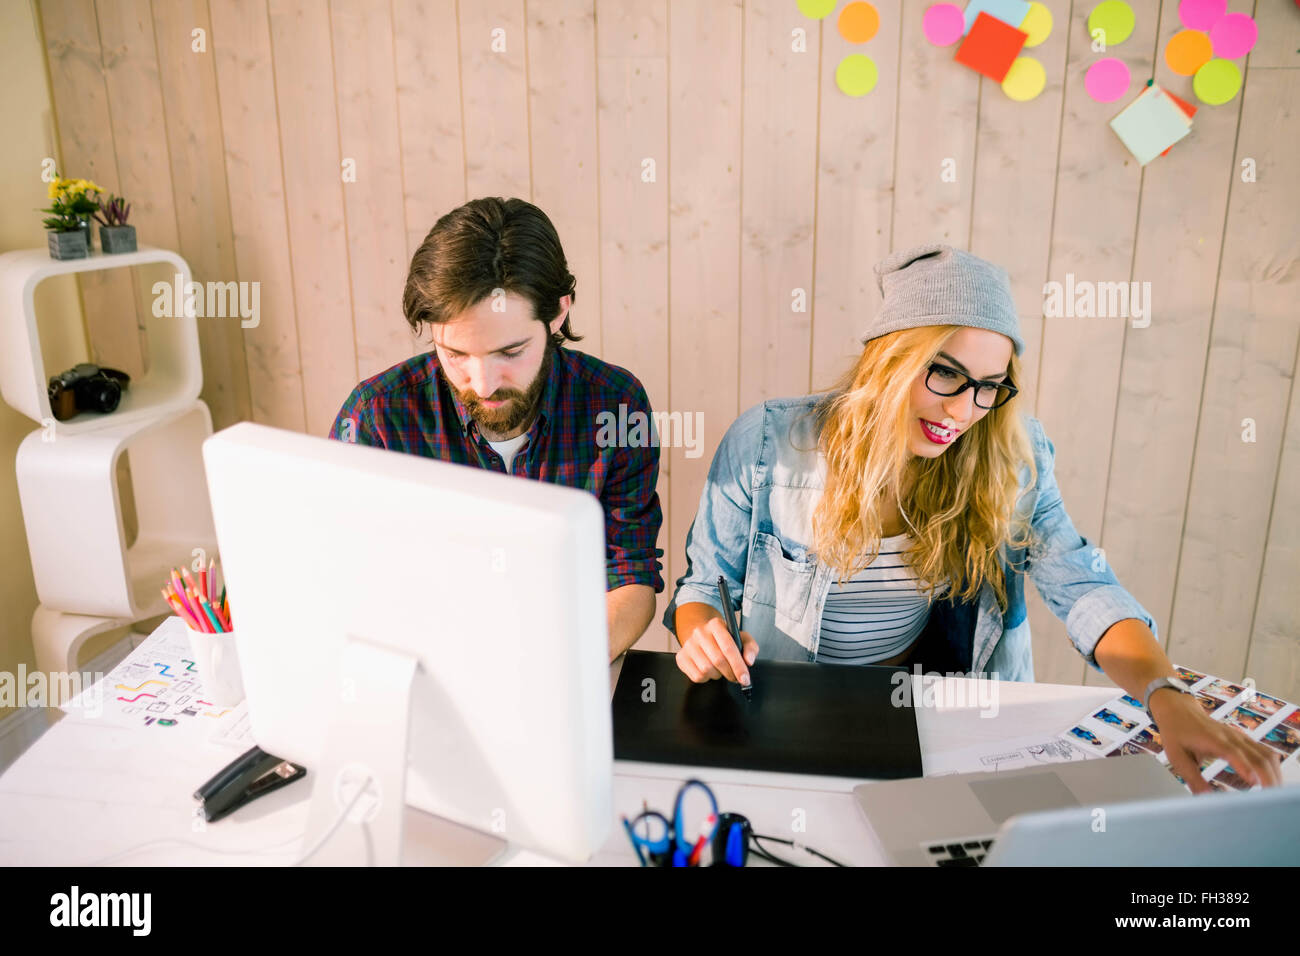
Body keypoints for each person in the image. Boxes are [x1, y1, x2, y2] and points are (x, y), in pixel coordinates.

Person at [664, 242, 1282, 793]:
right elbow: (701, 587)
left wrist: (1165, 694)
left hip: (937, 715)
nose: (964, 410)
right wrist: (701, 634)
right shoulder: (770, 441)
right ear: (890, 360)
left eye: (990, 385)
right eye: (946, 374)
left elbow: (1084, 584)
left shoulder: (1011, 457)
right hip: (791, 707)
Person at [330, 197, 663, 660]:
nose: (482, 385)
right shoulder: (378, 418)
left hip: (568, 665)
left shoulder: (616, 405)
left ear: (558, 312)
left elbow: (630, 575)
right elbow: (347, 579)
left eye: (510, 352)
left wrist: (560, 668)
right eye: (456, 355)